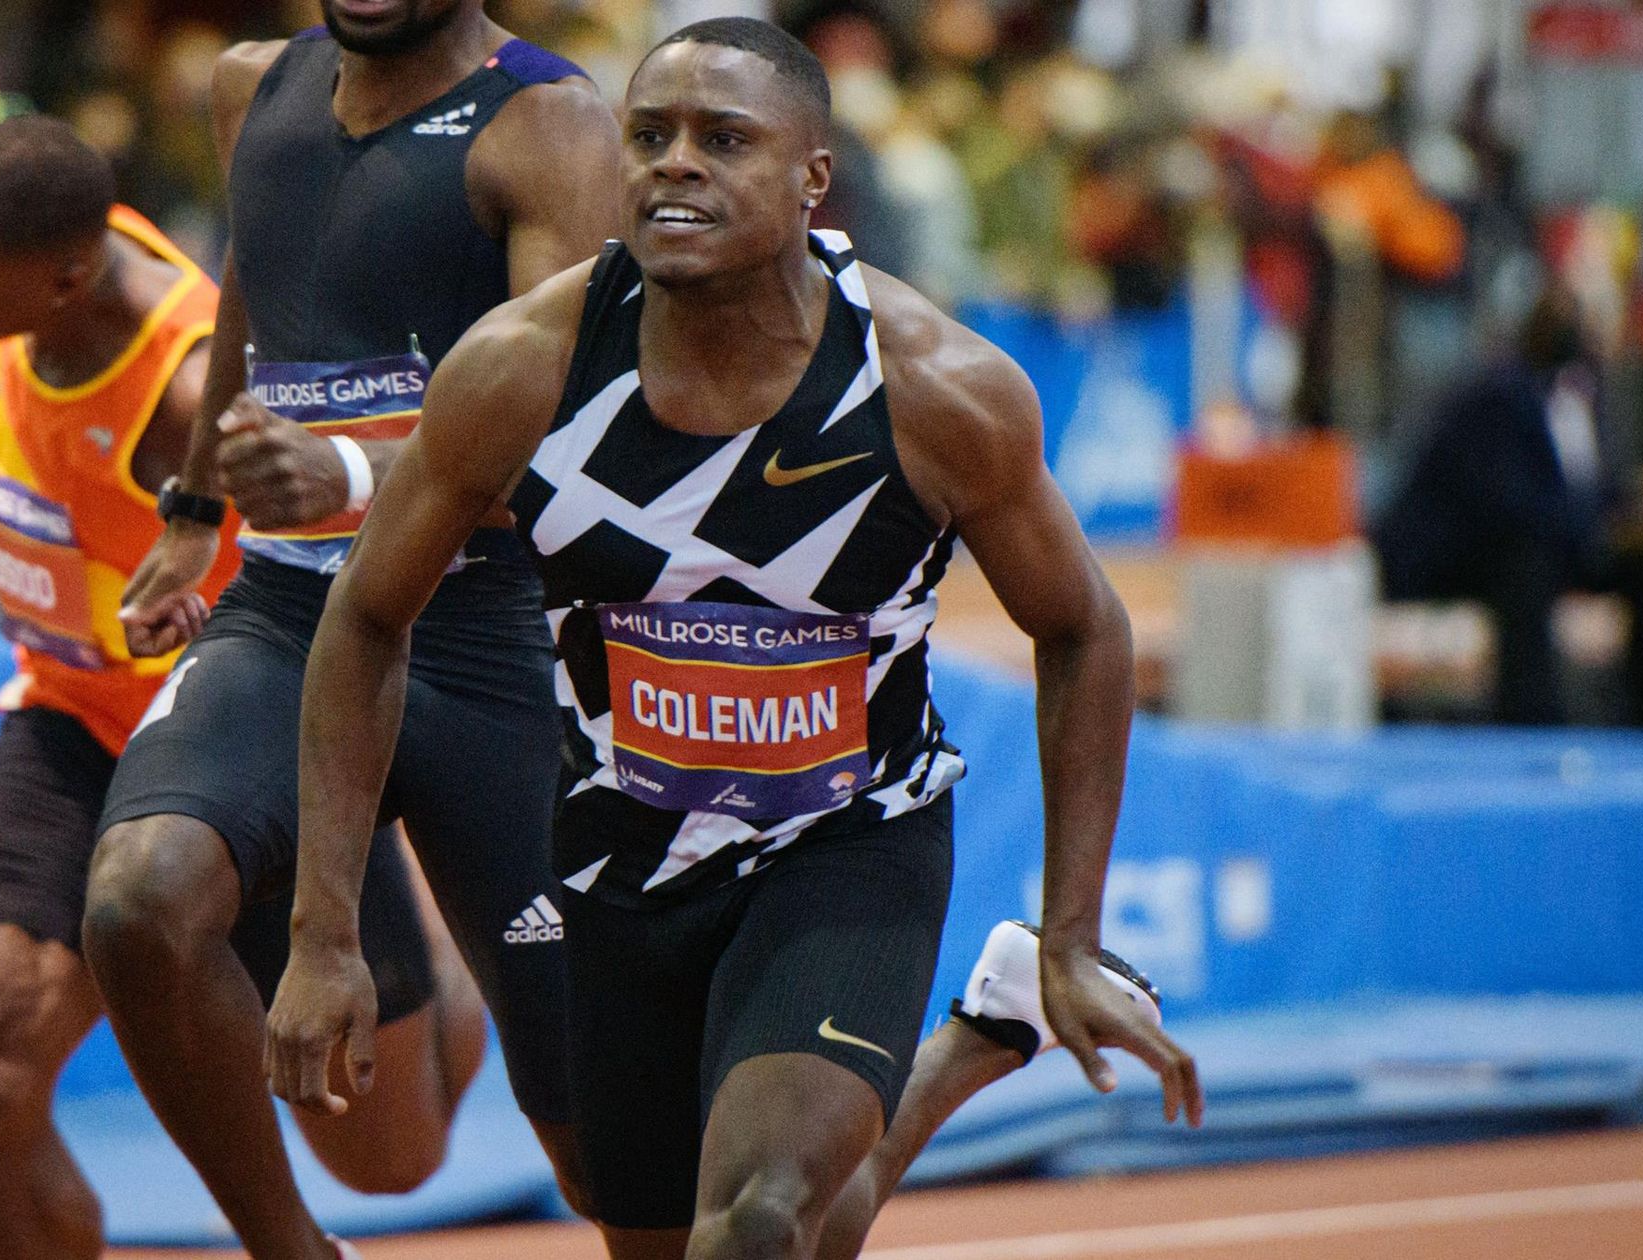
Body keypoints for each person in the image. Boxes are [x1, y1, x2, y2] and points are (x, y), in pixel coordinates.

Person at [270, 18, 1200, 1259]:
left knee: (756, 1224)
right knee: (699, 1234)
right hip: (620, 854)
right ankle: (972, 1042)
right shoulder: (522, 372)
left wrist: (1078, 930)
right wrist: (323, 930)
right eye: (647, 137)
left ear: (814, 178)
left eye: (723, 138)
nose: (674, 164)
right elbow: (366, 617)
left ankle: (1022, 981)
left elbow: (1083, 627)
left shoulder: (933, 388)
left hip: (845, 845)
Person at [0, 5, 480, 1256]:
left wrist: (201, 612)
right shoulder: (25, 260)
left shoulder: (186, 390)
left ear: (59, 277)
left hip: (234, 751)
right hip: (67, 720)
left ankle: (450, 968)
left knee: (391, 1158)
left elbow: (325, 572)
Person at [76, 0, 622, 1253]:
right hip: (288, 611)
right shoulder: (249, 88)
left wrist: (353, 471)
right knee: (138, 903)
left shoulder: (548, 126)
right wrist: (195, 502)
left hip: (492, 635)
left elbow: (569, 438)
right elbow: (249, 293)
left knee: (608, 1159)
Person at [1373, 283, 1643, 735]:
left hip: (1553, 541)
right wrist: (1592, 526)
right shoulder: (1495, 396)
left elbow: (1604, 487)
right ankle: (1534, 728)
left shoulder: (1588, 397)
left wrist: (1641, 525)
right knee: (1524, 567)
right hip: (1460, 553)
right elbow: (1503, 504)